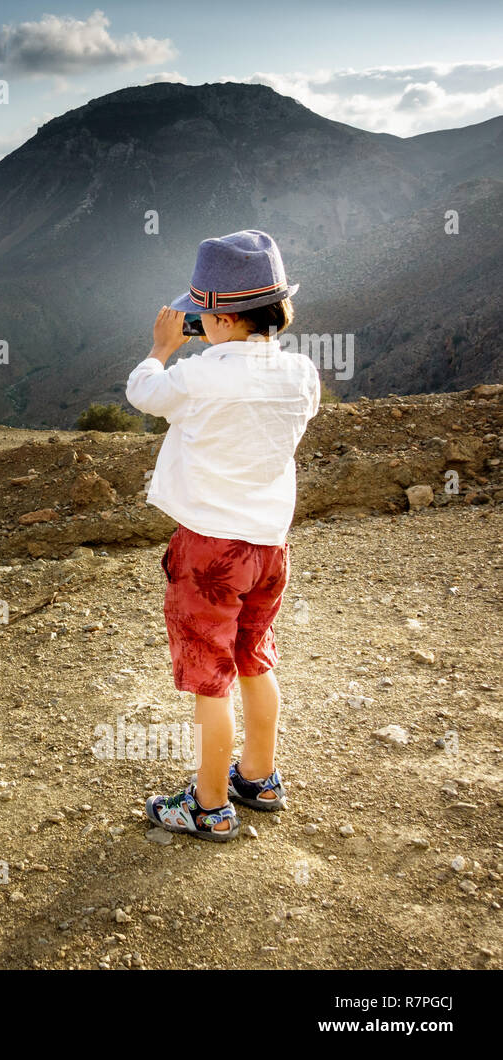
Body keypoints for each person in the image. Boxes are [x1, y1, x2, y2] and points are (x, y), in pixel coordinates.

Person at [125, 229, 320, 841]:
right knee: (254, 657)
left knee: (210, 678)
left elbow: (142, 393)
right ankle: (259, 777)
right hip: (269, 545)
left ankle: (208, 806)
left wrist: (161, 348)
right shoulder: (302, 373)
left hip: (209, 548)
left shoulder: (199, 375)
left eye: (203, 314)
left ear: (223, 318)